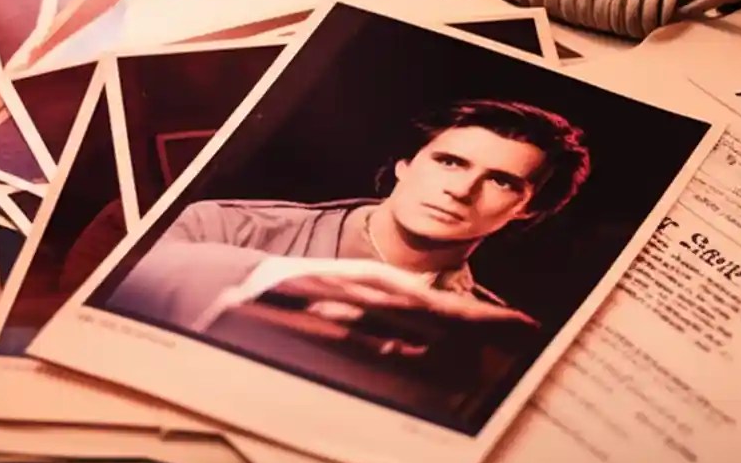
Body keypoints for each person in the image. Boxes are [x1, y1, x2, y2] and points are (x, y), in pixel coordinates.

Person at [105, 98, 592, 343]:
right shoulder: (225, 228)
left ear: (527, 209)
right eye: (449, 162)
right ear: (405, 164)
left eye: (502, 181)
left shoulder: (480, 329)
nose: (461, 190)